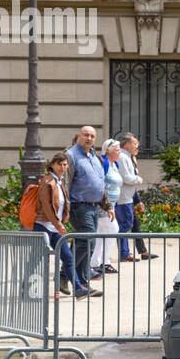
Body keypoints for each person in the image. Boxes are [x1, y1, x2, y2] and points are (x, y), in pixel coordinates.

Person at [35, 152, 99, 299]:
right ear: (52, 165)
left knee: (68, 258)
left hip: (54, 228)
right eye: (60, 164)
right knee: (36, 259)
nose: (63, 167)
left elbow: (61, 206)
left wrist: (62, 220)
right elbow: (46, 207)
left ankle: (78, 289)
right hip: (43, 226)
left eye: (65, 165)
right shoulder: (47, 182)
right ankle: (26, 288)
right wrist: (58, 224)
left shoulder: (59, 182)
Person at [64, 125, 107, 287]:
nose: (89, 138)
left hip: (95, 206)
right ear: (79, 136)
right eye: (85, 135)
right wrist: (65, 208)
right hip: (78, 205)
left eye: (92, 136)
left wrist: (107, 205)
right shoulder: (71, 155)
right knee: (86, 240)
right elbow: (66, 182)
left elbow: (100, 183)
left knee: (87, 242)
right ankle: (63, 273)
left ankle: (81, 282)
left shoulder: (95, 157)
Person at [116, 133, 155, 260]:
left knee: (133, 223)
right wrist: (138, 179)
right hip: (123, 198)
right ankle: (121, 251)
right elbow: (126, 177)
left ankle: (138, 252)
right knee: (126, 224)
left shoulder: (129, 157)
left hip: (128, 197)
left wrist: (138, 200)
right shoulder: (122, 157)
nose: (137, 147)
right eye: (135, 144)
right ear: (127, 144)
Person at [91, 138, 124, 275]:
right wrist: (104, 203)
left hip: (111, 205)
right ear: (108, 151)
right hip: (103, 205)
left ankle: (97, 262)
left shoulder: (114, 164)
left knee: (101, 233)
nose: (119, 152)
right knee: (113, 228)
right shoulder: (103, 163)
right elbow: (99, 183)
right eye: (117, 150)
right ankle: (103, 262)